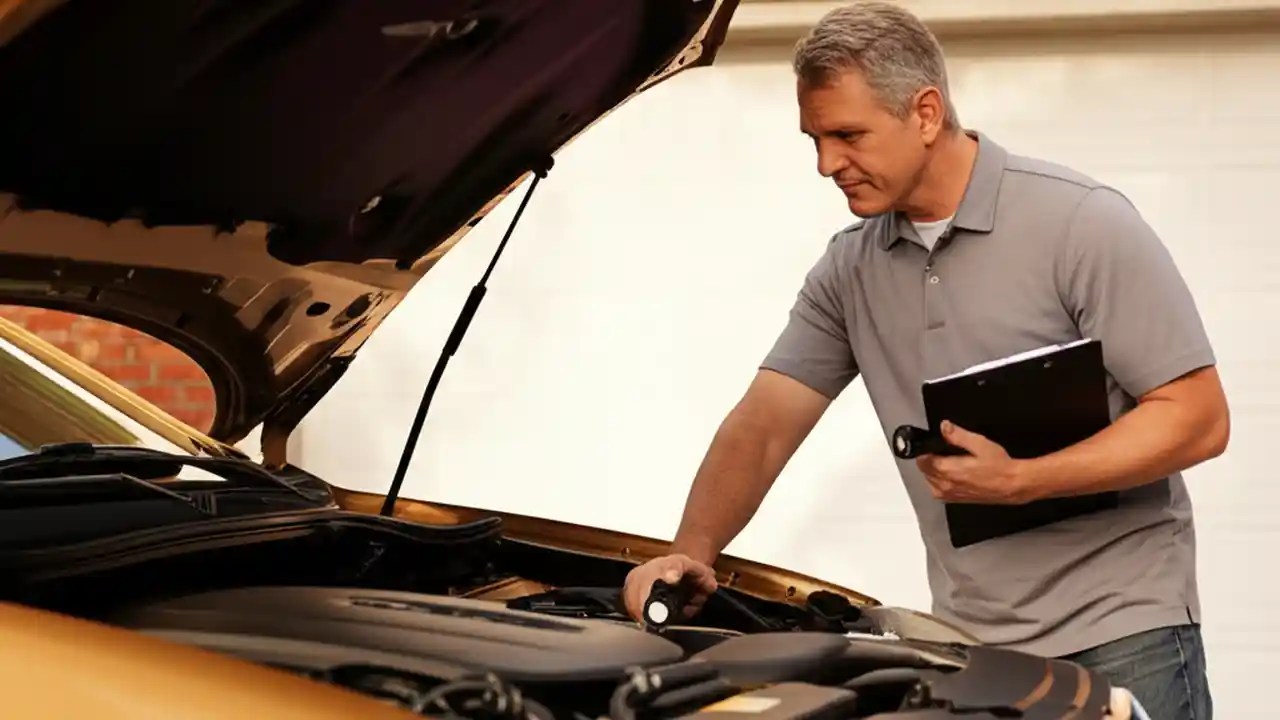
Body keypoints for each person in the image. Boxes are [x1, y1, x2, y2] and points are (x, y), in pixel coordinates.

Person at [620, 3, 1229, 718]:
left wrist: (1025, 480)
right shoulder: (849, 269)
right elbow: (763, 425)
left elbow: (1197, 418)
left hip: (1126, 633)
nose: (825, 164)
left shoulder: (1080, 223)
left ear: (927, 113)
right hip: (969, 646)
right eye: (814, 139)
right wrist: (691, 549)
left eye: (848, 135)